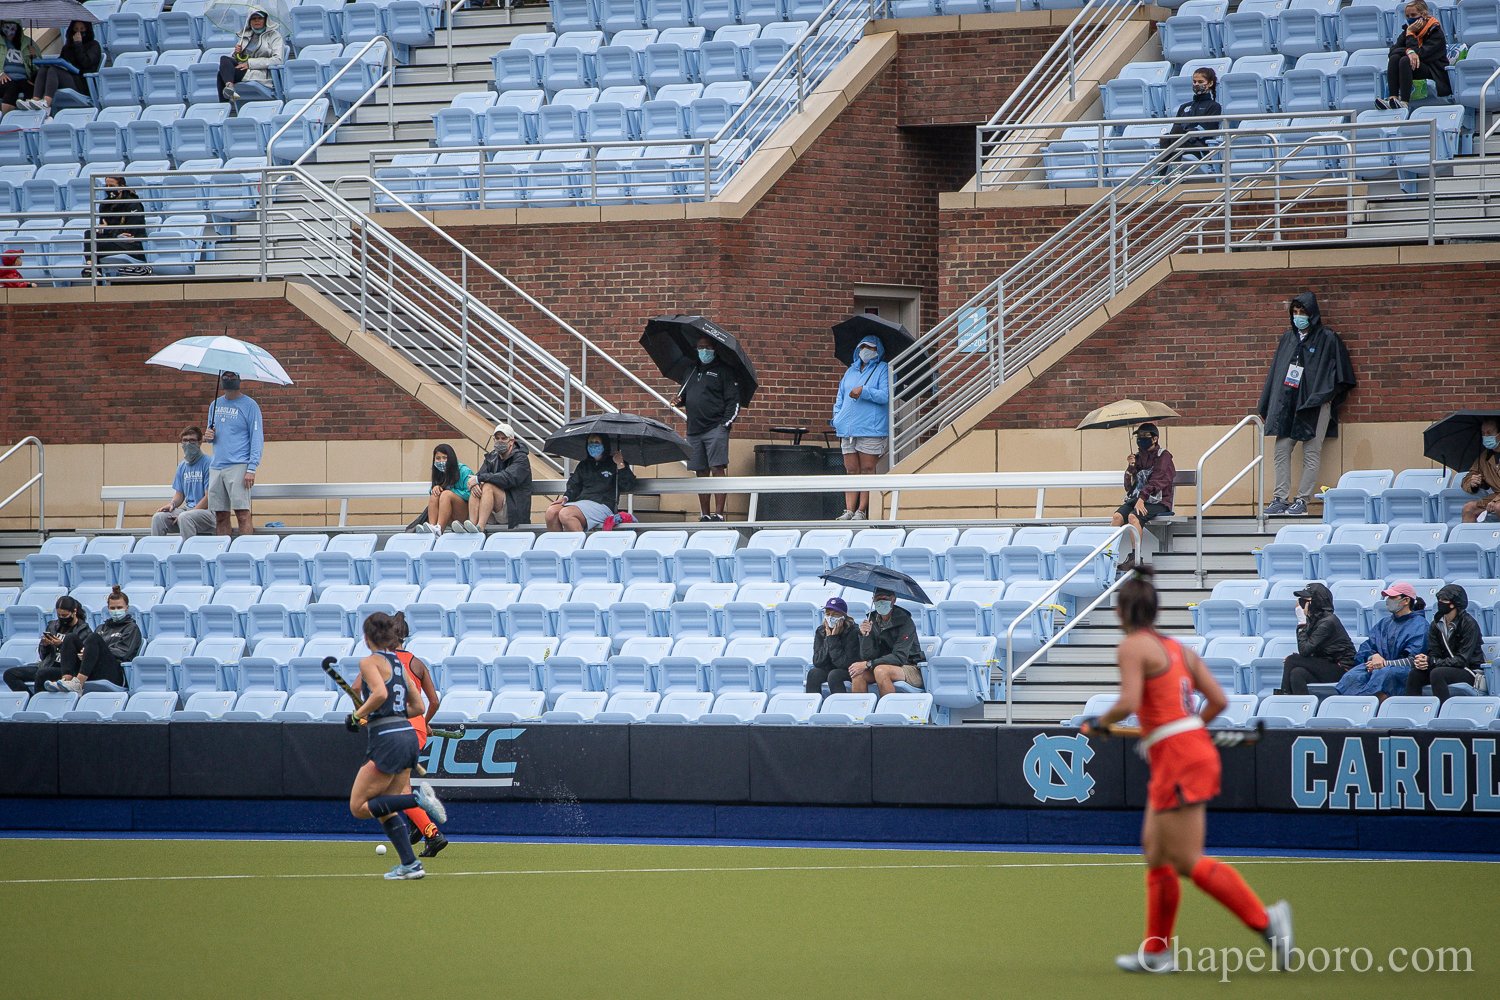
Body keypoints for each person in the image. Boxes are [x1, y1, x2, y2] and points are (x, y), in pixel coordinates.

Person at [1082, 564, 1292, 974]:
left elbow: (1129, 701)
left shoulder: (1132, 647)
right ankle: (1157, 951)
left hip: (1179, 756)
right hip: (1182, 750)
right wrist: (1182, 728)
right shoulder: (1180, 650)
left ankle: (1267, 921)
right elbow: (1217, 701)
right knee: (1156, 853)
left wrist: (1101, 722)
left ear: (1120, 612)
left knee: (1186, 860)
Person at [346, 611, 448, 881]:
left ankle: (417, 800)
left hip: (387, 740)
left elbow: (379, 693)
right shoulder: (402, 664)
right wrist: (388, 714)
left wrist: (358, 715)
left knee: (359, 806)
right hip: (408, 737)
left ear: (367, 637)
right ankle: (410, 864)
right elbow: (419, 707)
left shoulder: (370, 662)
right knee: (385, 806)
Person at [1256, 293, 1356, 517]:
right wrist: (1267, 406)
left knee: (1311, 451)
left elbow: (1341, 372)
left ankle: (1302, 500)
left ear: (1312, 314)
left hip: (1315, 404)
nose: (1298, 316)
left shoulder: (1327, 338)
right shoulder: (1288, 339)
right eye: (1295, 312)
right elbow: (1275, 373)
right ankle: (1280, 498)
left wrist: (1328, 395)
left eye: (1302, 312)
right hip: (1288, 403)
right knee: (1281, 449)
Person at [389, 612, 448, 858]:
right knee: (402, 784)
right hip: (417, 730)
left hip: (397, 730)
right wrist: (424, 723)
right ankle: (416, 824)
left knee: (397, 790)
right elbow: (434, 702)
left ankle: (431, 833)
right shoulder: (418, 664)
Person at [676, 334, 740, 522]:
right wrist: (678, 401)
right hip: (693, 429)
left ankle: (718, 514)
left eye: (708, 347)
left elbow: (734, 401)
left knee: (717, 468)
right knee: (700, 471)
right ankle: (704, 514)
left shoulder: (724, 371)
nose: (704, 351)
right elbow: (684, 395)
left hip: (715, 428)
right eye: (700, 347)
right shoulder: (690, 370)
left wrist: (724, 425)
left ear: (715, 349)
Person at [832, 333, 889, 522]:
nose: (866, 351)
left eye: (871, 347)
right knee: (851, 470)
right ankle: (848, 510)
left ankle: (861, 510)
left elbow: (885, 396)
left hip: (870, 428)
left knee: (867, 470)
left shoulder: (883, 369)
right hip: (847, 429)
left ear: (878, 350)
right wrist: (837, 418)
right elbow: (840, 396)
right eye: (863, 346)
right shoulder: (850, 371)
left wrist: (864, 391)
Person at [1335, 582, 1428, 698]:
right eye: (1388, 597)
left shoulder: (1420, 625)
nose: (1388, 600)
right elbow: (1366, 648)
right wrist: (1373, 657)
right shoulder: (1384, 623)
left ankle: (1378, 708)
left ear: (1406, 600)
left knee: (1383, 675)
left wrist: (1383, 664)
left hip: (1402, 671)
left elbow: (1414, 660)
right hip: (1377, 668)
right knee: (1353, 676)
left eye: (1393, 597)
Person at [43, 587, 143, 695]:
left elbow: (123, 653)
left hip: (115, 672)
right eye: (112, 608)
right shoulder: (101, 628)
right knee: (70, 637)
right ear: (108, 608)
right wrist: (87, 653)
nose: (116, 610)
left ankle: (78, 684)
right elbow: (89, 647)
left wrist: (91, 653)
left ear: (127, 608)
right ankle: (66, 681)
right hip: (94, 669)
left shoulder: (131, 628)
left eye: (119, 607)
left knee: (94, 637)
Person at [204, 370, 263, 537]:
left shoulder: (250, 406)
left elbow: (257, 438)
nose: (229, 380)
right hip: (216, 466)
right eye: (225, 377)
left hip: (239, 465)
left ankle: (246, 550)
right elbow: (211, 435)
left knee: (242, 514)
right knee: (220, 515)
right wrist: (208, 436)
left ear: (239, 379)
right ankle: (222, 550)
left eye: (233, 377)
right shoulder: (214, 405)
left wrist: (251, 468)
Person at [1405, 584, 1484, 703]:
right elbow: (1434, 653)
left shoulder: (1469, 624)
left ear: (1454, 604)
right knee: (1415, 673)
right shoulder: (1436, 624)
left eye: (1444, 600)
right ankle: (1413, 708)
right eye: (1439, 599)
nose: (1440, 602)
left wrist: (1432, 662)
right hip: (1444, 667)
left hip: (1469, 670)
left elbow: (1462, 660)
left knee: (1437, 673)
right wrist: (1424, 661)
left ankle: (1443, 710)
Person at [1276, 582, 1355, 695]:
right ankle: (1302, 704)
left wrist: (1301, 622)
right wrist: (1300, 659)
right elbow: (1308, 650)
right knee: (1297, 673)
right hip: (1327, 664)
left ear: (1317, 602)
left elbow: (1304, 650)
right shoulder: (1314, 620)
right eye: (1300, 600)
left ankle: (1283, 697)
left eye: (1305, 600)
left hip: (1342, 669)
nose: (1301, 604)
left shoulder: (1328, 622)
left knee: (1292, 660)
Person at [547, 434, 637, 532]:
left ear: (605, 445)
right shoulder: (583, 465)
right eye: (590, 442)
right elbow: (574, 485)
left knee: (566, 514)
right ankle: (560, 542)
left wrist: (620, 464)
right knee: (551, 512)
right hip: (581, 503)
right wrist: (566, 497)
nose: (593, 445)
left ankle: (580, 542)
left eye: (597, 442)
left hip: (603, 505)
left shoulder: (614, 463)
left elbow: (627, 485)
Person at [3, 597, 92, 695]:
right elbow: (44, 657)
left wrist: (61, 645)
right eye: (59, 615)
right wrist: (45, 646)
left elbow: (82, 659)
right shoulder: (53, 626)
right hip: (48, 664)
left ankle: (39, 700)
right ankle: (30, 699)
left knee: (42, 674)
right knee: (10, 674)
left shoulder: (84, 631)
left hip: (66, 671)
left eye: (65, 615)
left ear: (74, 612)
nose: (62, 618)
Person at [848, 588, 924, 697]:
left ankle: (888, 707)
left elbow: (899, 657)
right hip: (881, 664)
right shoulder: (871, 620)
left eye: (884, 599)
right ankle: (860, 707)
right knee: (858, 673)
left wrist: (868, 664)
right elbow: (867, 656)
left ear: (894, 600)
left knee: (881, 671)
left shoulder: (906, 622)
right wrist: (865, 636)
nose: (881, 602)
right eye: (878, 599)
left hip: (910, 666)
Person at [1378, 0, 1449, 110]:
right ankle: (1392, 99)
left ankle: (1404, 102)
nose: (1410, 18)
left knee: (1405, 60)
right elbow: (1393, 50)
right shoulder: (1408, 30)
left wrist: (1411, 35)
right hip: (1415, 67)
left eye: (1413, 15)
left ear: (1424, 15)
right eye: (1407, 16)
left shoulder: (1435, 32)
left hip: (1434, 70)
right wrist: (1409, 51)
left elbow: (1421, 54)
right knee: (1395, 58)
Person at [1111, 422, 1175, 542]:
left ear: (1155, 438)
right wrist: (1131, 467)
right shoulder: (1138, 457)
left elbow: (1157, 481)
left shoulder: (1163, 456)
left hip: (1159, 502)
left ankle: (1135, 553)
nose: (1141, 439)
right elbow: (1129, 487)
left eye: (1145, 436)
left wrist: (1141, 499)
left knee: (1133, 516)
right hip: (1138, 500)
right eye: (1139, 436)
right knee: (1117, 517)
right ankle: (1109, 551)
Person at [465, 422, 532, 533]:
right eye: (497, 438)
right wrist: (475, 483)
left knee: (488, 486)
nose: (499, 441)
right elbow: (480, 476)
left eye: (503, 438)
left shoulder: (521, 458)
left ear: (512, 441)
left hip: (513, 509)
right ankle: (471, 524)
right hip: (492, 507)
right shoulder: (492, 457)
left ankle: (480, 527)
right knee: (477, 486)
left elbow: (507, 478)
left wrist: (479, 479)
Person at [152, 426, 217, 538]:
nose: (188, 444)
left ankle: (188, 549)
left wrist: (187, 513)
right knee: (158, 518)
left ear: (200, 442)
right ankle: (157, 548)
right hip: (187, 510)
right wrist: (171, 504)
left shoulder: (208, 463)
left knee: (184, 517)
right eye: (185, 440)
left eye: (192, 440)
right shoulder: (182, 466)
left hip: (207, 512)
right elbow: (179, 495)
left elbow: (208, 498)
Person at [23, 20, 101, 111]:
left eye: (82, 29)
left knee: (53, 70)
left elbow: (87, 64)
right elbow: (61, 62)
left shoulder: (94, 45)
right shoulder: (67, 47)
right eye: (76, 29)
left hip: (81, 82)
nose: (78, 32)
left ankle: (46, 104)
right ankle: (35, 100)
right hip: (67, 77)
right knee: (45, 68)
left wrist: (78, 44)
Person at [86, 177, 152, 277]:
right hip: (113, 243)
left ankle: (92, 270)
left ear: (121, 188)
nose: (109, 189)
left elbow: (130, 233)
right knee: (89, 234)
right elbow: (102, 230)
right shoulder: (104, 205)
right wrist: (112, 232)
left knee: (94, 246)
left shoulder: (133, 204)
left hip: (131, 246)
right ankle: (92, 268)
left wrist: (107, 230)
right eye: (107, 186)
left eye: (112, 186)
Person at [218, 10, 284, 103]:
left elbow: (278, 60)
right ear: (249, 21)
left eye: (260, 18)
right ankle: (230, 86)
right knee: (224, 59)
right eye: (253, 18)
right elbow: (231, 62)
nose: (257, 20)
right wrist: (236, 53)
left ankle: (224, 104)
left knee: (221, 74)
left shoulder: (274, 36)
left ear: (266, 20)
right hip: (243, 69)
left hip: (262, 73)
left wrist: (250, 64)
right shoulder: (245, 35)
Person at [1159, 67, 1221, 165]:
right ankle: (1164, 172)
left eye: (1200, 82)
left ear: (1210, 83)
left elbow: (1206, 130)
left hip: (1198, 147)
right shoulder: (1184, 107)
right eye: (1195, 82)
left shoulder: (1214, 107)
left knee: (1177, 133)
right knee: (1166, 138)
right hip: (1180, 143)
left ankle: (1173, 167)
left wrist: (1185, 135)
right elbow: (1175, 129)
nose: (1197, 85)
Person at [807, 597, 861, 695]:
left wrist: (833, 638)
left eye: (835, 614)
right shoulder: (821, 631)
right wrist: (829, 638)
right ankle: (812, 703)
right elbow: (817, 661)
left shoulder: (853, 632)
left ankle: (840, 703)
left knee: (834, 675)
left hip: (848, 670)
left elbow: (845, 664)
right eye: (828, 614)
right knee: (813, 673)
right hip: (829, 668)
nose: (831, 617)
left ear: (844, 616)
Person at [422, 443, 475, 535]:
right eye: (438, 458)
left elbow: (470, 495)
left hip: (465, 514)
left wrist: (450, 492)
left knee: (446, 494)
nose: (441, 461)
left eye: (444, 458)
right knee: (435, 494)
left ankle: (439, 530)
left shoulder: (464, 471)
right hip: (447, 514)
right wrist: (435, 489)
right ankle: (432, 527)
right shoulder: (437, 472)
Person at [1460, 417, 1500, 523]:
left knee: (1498, 507)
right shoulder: (1484, 456)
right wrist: (1473, 483)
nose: (1486, 436)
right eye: (1483, 433)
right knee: (1468, 508)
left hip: (1497, 500)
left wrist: (1496, 501)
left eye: (1489, 433)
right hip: (1496, 498)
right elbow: (1471, 475)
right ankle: (1468, 534)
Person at [0, 21, 40, 114]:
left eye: (11, 23)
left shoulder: (28, 43)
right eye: (5, 23)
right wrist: (0, 73)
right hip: (4, 79)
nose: (8, 26)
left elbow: (38, 67)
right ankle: (7, 117)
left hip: (23, 78)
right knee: (11, 88)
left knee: (30, 88)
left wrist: (34, 56)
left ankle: (30, 116)